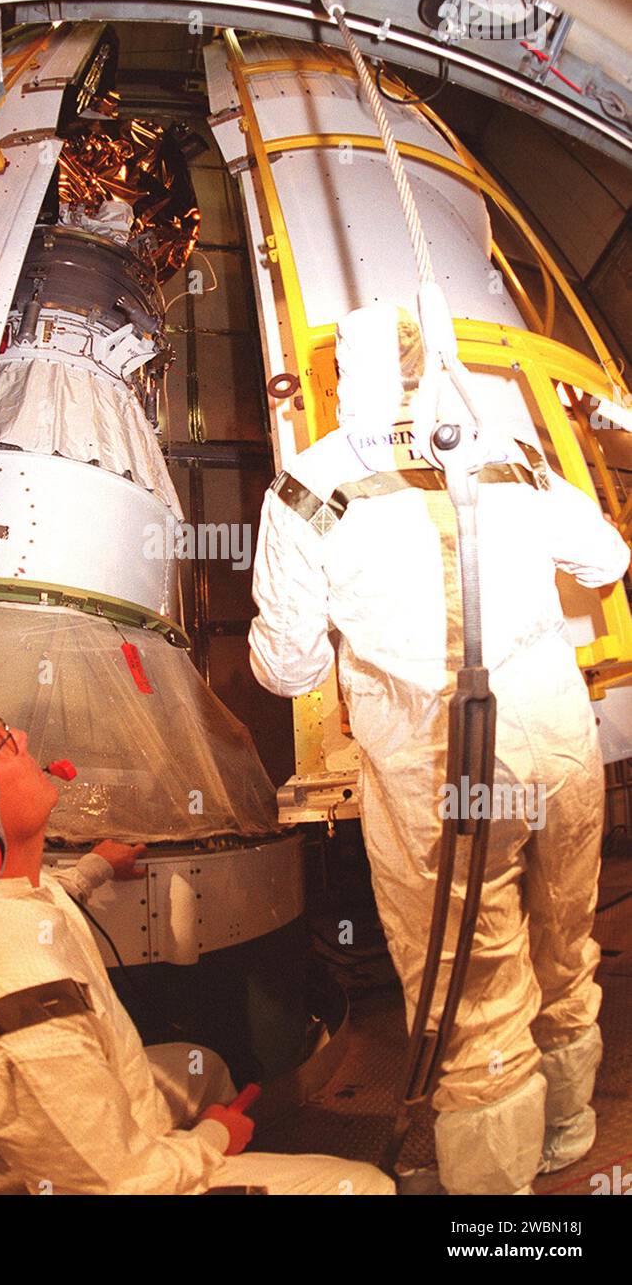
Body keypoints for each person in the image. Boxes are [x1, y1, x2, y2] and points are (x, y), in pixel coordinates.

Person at [248, 302, 630, 1196]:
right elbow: (607, 559)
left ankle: (493, 1200)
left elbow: (283, 666)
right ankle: (568, 1129)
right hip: (554, 728)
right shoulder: (508, 453)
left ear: (347, 376)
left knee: (471, 983)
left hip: (441, 755)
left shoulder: (309, 485)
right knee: (564, 937)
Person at [0, 686, 394, 1196]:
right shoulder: (10, 1011)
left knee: (203, 1068)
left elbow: (43, 901)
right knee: (367, 1187)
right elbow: (120, 1188)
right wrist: (211, 1140)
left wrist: (96, 867)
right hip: (91, 1184)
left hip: (79, 1134)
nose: (23, 738)